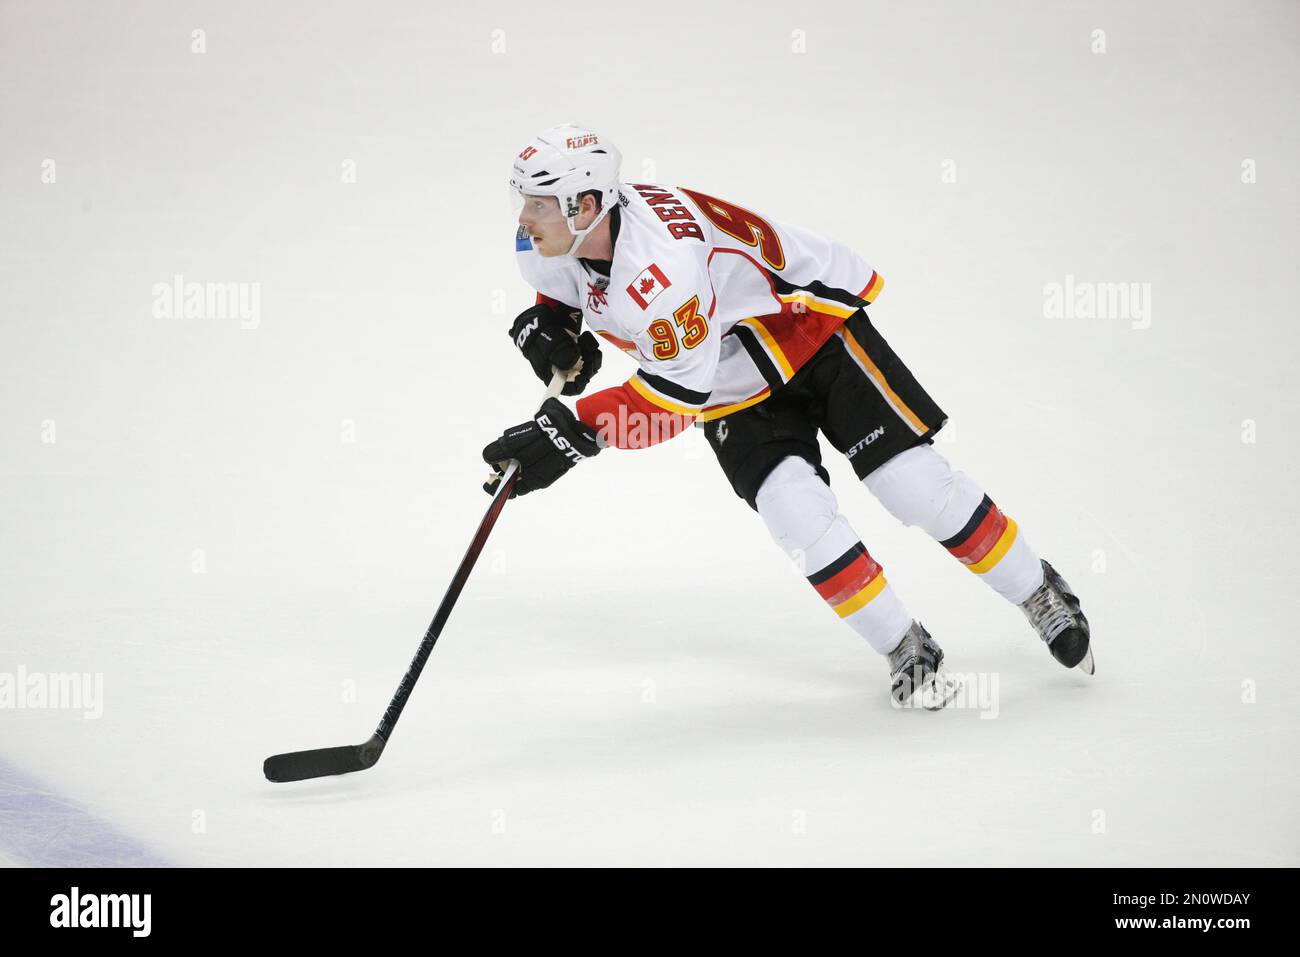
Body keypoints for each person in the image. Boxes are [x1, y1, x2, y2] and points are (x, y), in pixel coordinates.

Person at [483, 123, 1093, 709]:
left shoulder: (659, 270)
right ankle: (901, 643)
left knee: (912, 486)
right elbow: (567, 289)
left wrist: (576, 432)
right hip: (725, 375)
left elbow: (671, 402)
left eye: (537, 202)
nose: (522, 218)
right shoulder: (550, 241)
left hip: (808, 330)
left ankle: (1038, 588)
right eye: (524, 199)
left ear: (585, 206)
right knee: (794, 514)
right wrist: (554, 324)